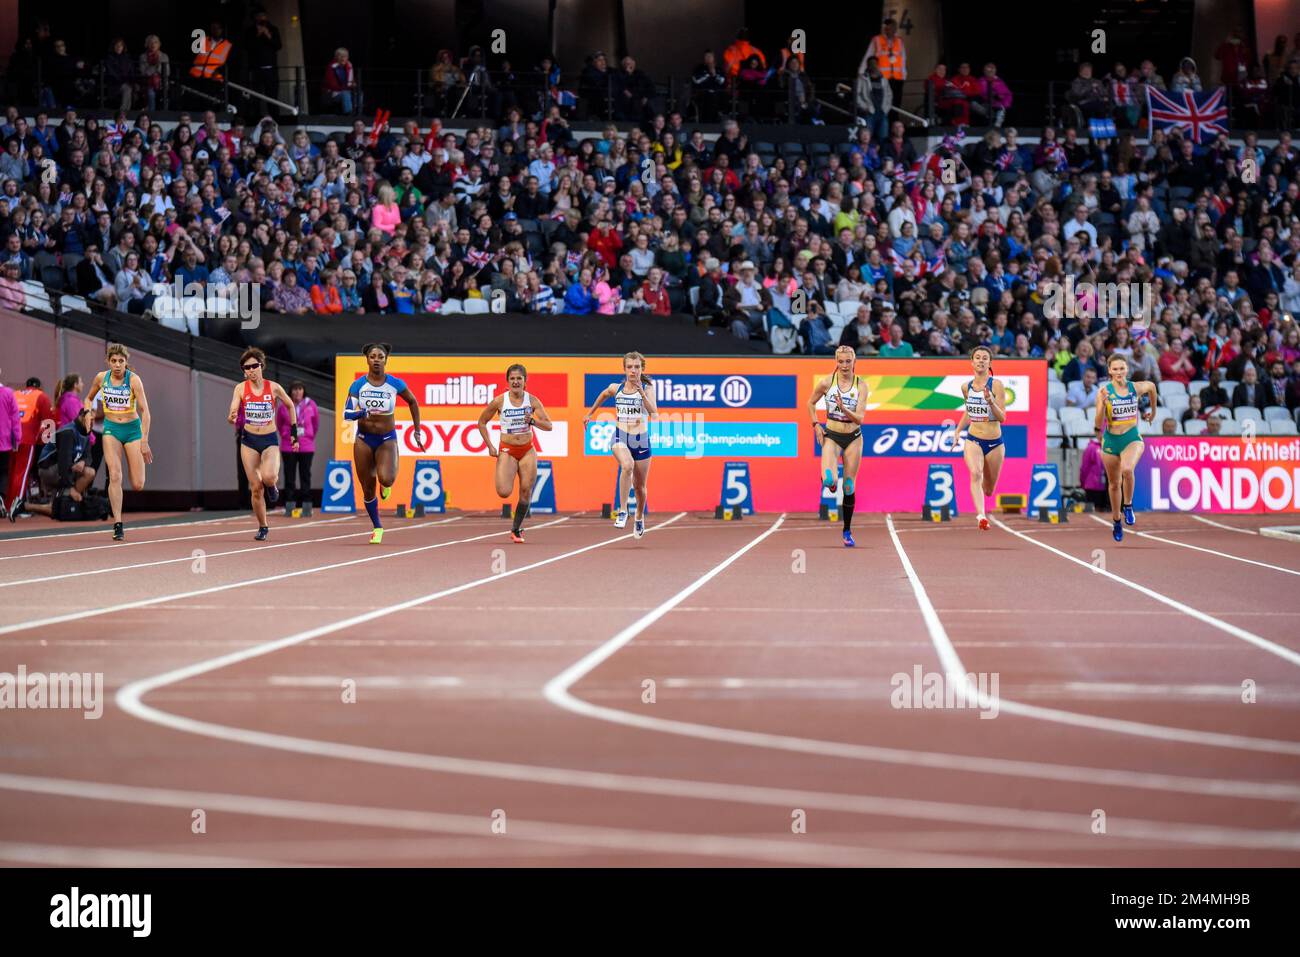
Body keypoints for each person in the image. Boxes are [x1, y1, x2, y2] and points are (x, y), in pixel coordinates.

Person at [343, 343, 425, 544]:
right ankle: (377, 526)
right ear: (367, 360)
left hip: (387, 439)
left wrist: (417, 430)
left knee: (386, 479)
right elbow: (347, 414)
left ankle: (385, 485)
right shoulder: (358, 385)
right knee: (367, 488)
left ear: (386, 360)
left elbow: (413, 401)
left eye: (380, 356)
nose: (377, 359)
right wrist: (361, 412)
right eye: (373, 356)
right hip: (363, 439)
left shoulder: (395, 384)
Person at [81, 344, 152, 541]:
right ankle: (118, 524)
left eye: (121, 361)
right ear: (108, 362)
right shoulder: (101, 378)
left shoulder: (134, 380)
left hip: (132, 430)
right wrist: (87, 412)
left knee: (138, 483)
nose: (118, 365)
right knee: (114, 474)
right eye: (114, 361)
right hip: (111, 428)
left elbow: (146, 412)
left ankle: (120, 515)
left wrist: (144, 440)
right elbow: (87, 398)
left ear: (126, 362)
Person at [583, 351, 657, 539]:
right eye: (630, 367)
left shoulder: (648, 388)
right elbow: (603, 394)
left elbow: (653, 413)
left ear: (642, 369)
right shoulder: (616, 388)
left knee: (640, 487)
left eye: (637, 367)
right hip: (620, 436)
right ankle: (623, 510)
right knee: (626, 466)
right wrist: (590, 414)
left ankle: (639, 517)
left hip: (640, 440)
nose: (633, 371)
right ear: (624, 369)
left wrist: (641, 392)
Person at [477, 363, 554, 543]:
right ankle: (516, 526)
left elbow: (549, 425)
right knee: (503, 492)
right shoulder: (499, 401)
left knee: (526, 491)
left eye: (519, 378)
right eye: (512, 378)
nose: (516, 381)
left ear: (525, 381)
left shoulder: (532, 400)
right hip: (507, 450)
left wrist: (533, 422)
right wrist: (489, 446)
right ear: (507, 381)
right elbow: (481, 422)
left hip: (527, 450)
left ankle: (516, 529)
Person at [228, 348, 297, 541]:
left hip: (269, 440)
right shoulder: (240, 388)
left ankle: (272, 485)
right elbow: (234, 405)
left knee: (268, 476)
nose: (251, 370)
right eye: (247, 367)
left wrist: (293, 433)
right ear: (244, 371)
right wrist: (232, 414)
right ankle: (263, 526)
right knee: (256, 487)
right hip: (249, 441)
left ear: (261, 366)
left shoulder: (273, 387)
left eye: (254, 366)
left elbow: (290, 405)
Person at [808, 345, 868, 547]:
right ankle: (831, 481)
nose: (844, 365)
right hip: (831, 436)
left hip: (853, 437)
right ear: (836, 361)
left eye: (848, 361)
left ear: (854, 362)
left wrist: (844, 409)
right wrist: (815, 423)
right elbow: (810, 403)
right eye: (840, 361)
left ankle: (847, 531)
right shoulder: (826, 382)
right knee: (828, 481)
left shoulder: (861, 385)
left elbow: (859, 418)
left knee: (849, 486)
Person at [1095, 353, 1157, 542]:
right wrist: (1103, 407)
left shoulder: (1135, 387)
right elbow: (1098, 422)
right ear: (1109, 371)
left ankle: (1128, 505)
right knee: (1114, 484)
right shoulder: (1104, 392)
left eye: (1122, 368)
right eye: (1115, 369)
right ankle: (1116, 520)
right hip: (1111, 439)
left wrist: (1152, 413)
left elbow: (1152, 387)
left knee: (1127, 470)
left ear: (1127, 369)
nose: (1119, 372)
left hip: (1131, 437)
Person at [946, 346, 1007, 530]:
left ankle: (984, 503)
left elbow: (1002, 417)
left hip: (995, 443)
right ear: (972, 362)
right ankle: (981, 515)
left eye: (984, 358)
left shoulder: (996, 385)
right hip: (973, 439)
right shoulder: (966, 387)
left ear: (989, 363)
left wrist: (991, 402)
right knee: (975, 473)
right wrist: (957, 431)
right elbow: (969, 411)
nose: (981, 360)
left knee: (988, 489)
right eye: (977, 357)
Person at [277, 380, 318, 516]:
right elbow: (279, 423)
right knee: (289, 477)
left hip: (306, 446)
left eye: (300, 389)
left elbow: (315, 423)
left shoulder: (311, 404)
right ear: (290, 392)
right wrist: (285, 435)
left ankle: (306, 507)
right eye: (294, 389)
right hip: (288, 446)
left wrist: (309, 436)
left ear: (303, 391)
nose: (297, 392)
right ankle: (290, 506)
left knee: (305, 476)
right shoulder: (284, 405)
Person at [0, 364, 20, 519]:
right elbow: (15, 419)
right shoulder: (8, 393)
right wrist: (17, 440)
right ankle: (1, 497)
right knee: (3, 473)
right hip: (4, 441)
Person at [1079, 427, 1109, 511]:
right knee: (1093, 512)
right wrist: (1083, 482)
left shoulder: (1109, 448)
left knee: (1105, 513)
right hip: (1092, 487)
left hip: (1105, 487)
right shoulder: (1091, 448)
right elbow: (1084, 468)